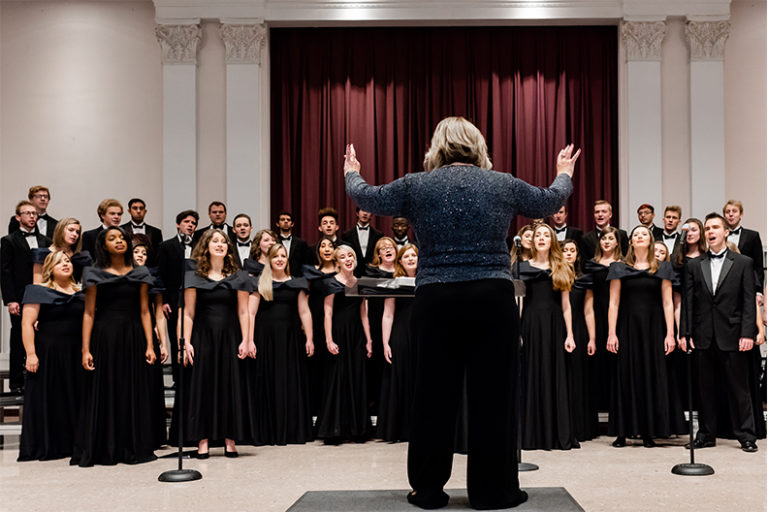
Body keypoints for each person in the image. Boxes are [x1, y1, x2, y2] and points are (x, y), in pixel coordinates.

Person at [344, 116, 577, 510]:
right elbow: (548, 201)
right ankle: (493, 491)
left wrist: (352, 173)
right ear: (478, 146)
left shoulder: (416, 184)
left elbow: (367, 197)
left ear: (438, 146)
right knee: (494, 397)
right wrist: (564, 174)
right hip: (492, 298)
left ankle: (428, 490)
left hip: (436, 299)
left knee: (432, 396)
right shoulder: (502, 182)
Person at [71, 226, 157, 466]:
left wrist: (150, 344)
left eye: (122, 237)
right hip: (105, 336)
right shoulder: (94, 272)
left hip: (133, 335)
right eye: (113, 238)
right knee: (105, 388)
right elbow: (88, 312)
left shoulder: (140, 272)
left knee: (132, 388)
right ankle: (105, 447)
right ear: (103, 245)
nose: (119, 241)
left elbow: (144, 310)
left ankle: (132, 445)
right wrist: (85, 349)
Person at [680, 213, 759, 452]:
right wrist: (685, 333)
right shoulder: (694, 264)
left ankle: (746, 435)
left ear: (726, 232)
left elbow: (747, 301)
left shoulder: (743, 262)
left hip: (733, 334)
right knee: (705, 389)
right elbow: (688, 301)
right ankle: (706, 434)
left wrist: (747, 333)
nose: (710, 231)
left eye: (715, 227)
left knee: (739, 388)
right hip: (703, 335)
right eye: (707, 228)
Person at [606, 225, 682, 447]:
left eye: (644, 234)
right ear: (630, 241)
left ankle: (648, 432)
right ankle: (623, 432)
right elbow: (613, 302)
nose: (640, 237)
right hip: (627, 327)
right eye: (636, 234)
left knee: (651, 375)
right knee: (625, 375)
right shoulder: (619, 268)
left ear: (650, 241)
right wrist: (611, 333)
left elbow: (668, 303)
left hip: (654, 327)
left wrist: (670, 333)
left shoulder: (662, 267)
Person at [182, 229, 253, 458]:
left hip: (230, 336)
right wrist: (186, 342)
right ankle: (202, 441)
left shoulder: (239, 276)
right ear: (206, 246)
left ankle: (230, 440)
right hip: (203, 337)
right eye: (215, 241)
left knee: (230, 385)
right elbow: (189, 313)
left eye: (223, 241)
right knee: (203, 386)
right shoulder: (193, 276)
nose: (220, 244)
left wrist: (246, 339)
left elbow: (244, 311)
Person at [17, 251, 84, 461]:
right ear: (49, 268)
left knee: (75, 396)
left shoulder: (82, 291)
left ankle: (75, 442)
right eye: (59, 262)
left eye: (67, 261)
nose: (65, 264)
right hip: (49, 352)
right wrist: (30, 354)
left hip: (76, 351)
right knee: (51, 397)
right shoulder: (37, 291)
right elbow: (27, 323)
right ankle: (51, 443)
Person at [518, 224, 577, 450]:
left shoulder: (561, 266)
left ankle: (555, 433)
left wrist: (570, 334)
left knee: (555, 375)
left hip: (554, 326)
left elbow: (566, 306)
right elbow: (520, 302)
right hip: (531, 325)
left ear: (552, 240)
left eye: (546, 235)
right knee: (532, 374)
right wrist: (517, 330)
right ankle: (532, 434)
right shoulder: (522, 267)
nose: (541, 238)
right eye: (538, 235)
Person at [248, 244, 314, 445]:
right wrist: (249, 340)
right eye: (275, 256)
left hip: (291, 339)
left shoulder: (297, 282)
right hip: (265, 339)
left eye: (283, 256)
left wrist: (310, 338)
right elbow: (250, 313)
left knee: (290, 381)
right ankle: (268, 432)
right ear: (269, 260)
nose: (279, 259)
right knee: (268, 381)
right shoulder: (260, 283)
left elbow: (304, 312)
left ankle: (292, 431)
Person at [315, 245, 373, 444]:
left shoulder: (361, 283)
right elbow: (327, 313)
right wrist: (329, 339)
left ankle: (357, 429)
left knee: (356, 377)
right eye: (343, 257)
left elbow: (364, 313)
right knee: (337, 378)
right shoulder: (330, 282)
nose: (347, 259)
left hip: (356, 335)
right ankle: (335, 429)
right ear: (337, 261)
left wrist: (369, 340)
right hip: (339, 334)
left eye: (350, 255)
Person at [1, 200, 52, 393]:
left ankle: (38, 381)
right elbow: (5, 272)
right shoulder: (8, 240)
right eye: (27, 213)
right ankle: (16, 383)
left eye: (34, 213)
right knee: (17, 338)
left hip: (42, 296)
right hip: (20, 297)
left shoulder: (46, 242)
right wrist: (11, 300)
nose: (32, 216)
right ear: (18, 217)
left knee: (41, 336)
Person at [132, 235, 170, 449]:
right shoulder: (122, 275)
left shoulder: (153, 276)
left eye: (144, 253)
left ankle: (151, 436)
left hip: (149, 336)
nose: (141, 255)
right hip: (128, 333)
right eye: (137, 252)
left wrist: (163, 343)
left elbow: (159, 314)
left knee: (149, 385)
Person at [378, 243, 418, 442]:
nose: (410, 258)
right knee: (401, 378)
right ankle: (400, 430)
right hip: (401, 335)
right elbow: (388, 314)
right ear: (400, 261)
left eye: (414, 255)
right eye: (406, 256)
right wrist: (385, 343)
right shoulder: (394, 283)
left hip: (422, 334)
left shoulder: (426, 280)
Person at [581, 225, 623, 414]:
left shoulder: (624, 265)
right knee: (598, 364)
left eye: (610, 238)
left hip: (620, 315)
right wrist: (591, 334)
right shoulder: (591, 264)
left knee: (619, 363)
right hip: (597, 314)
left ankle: (619, 412)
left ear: (617, 243)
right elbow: (588, 298)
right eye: (604, 238)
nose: (606, 241)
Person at [157, 209, 199, 387]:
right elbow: (160, 274)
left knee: (193, 337)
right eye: (187, 222)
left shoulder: (199, 245)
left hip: (196, 299)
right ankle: (178, 379)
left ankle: (194, 376)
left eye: (193, 223)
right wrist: (165, 300)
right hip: (174, 300)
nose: (190, 225)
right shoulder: (166, 246)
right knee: (176, 339)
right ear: (178, 224)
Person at [561, 239, 598, 441]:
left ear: (577, 255)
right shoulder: (551, 276)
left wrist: (592, 338)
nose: (568, 253)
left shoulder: (584, 278)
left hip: (579, 330)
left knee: (578, 377)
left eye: (572, 250)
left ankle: (581, 428)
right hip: (557, 329)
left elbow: (589, 311)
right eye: (564, 250)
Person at [364, 236, 398, 418]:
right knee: (375, 361)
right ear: (378, 253)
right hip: (376, 318)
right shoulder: (371, 271)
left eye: (390, 246)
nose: (387, 249)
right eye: (383, 247)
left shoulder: (402, 272)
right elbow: (366, 300)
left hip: (396, 319)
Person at [303, 235, 338, 416]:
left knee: (332, 365)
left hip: (334, 322)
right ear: (318, 251)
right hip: (314, 321)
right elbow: (306, 297)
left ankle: (330, 411)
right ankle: (315, 412)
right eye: (322, 246)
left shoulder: (341, 272)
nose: (326, 248)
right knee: (315, 365)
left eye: (329, 246)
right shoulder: (310, 272)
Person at [31, 217, 92, 284]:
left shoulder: (80, 257)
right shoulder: (42, 254)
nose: (75, 234)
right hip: (48, 293)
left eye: (77, 232)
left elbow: (85, 285)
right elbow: (37, 284)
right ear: (60, 230)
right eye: (71, 230)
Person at [723, 199, 764, 291]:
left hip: (747, 284)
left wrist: (759, 292)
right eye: (727, 212)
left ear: (741, 214)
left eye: (734, 211)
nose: (731, 214)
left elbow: (758, 267)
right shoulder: (719, 236)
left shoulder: (753, 236)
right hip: (725, 286)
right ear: (724, 216)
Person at [120, 198, 163, 266]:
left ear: (145, 211)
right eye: (135, 208)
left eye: (141, 208)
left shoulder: (156, 232)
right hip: (127, 268)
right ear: (129, 211)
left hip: (150, 270)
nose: (138, 211)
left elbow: (159, 255)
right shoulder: (121, 230)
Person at [342, 207, 383, 276]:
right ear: (357, 213)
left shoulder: (378, 235)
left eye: (368, 211)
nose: (365, 213)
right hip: (353, 273)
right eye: (363, 210)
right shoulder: (347, 235)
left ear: (372, 214)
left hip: (373, 274)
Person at [275, 210, 311, 276]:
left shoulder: (301, 243)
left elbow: (306, 264)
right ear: (277, 224)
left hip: (297, 279)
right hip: (277, 278)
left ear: (292, 224)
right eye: (282, 219)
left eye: (288, 220)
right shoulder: (273, 242)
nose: (286, 221)